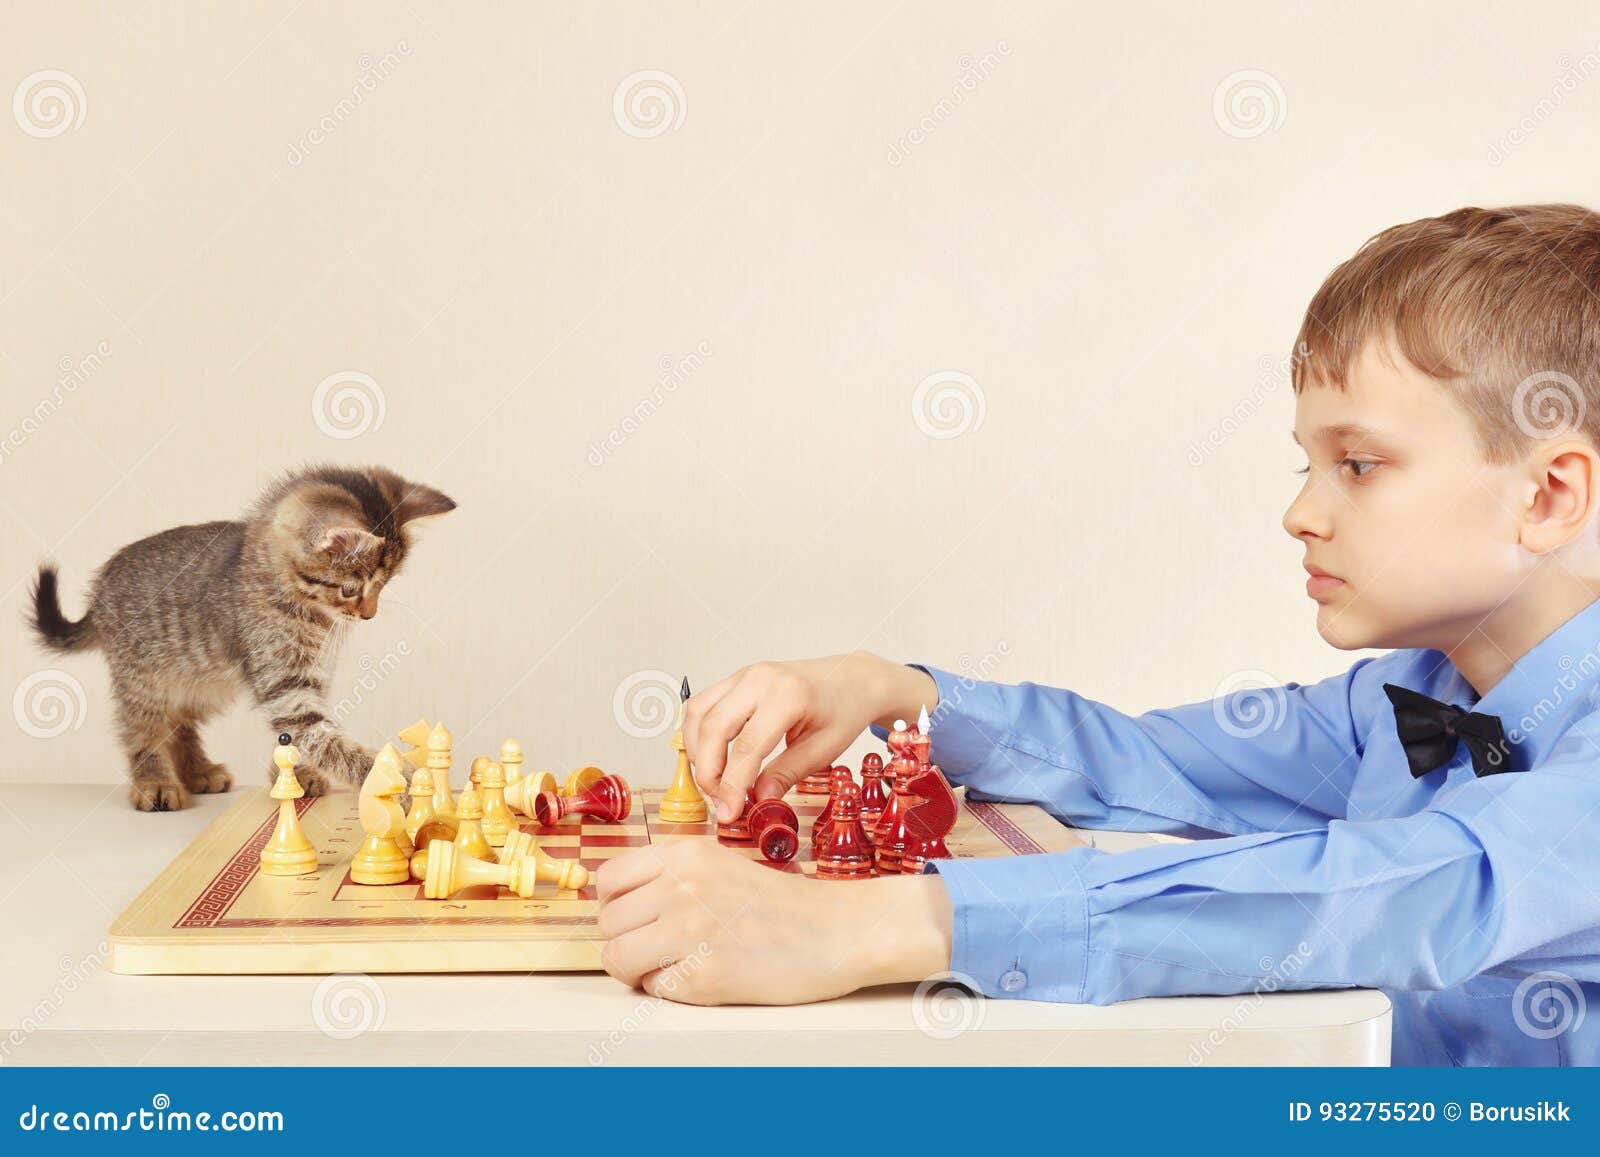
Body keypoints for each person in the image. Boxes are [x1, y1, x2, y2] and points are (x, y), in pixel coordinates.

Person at [595, 204, 1600, 1066]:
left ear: (1550, 495)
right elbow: (1154, 759)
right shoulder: (1409, 697)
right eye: (1305, 464)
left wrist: (871, 925)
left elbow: (1375, 893)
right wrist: (899, 694)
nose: (1301, 514)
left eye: (1360, 465)